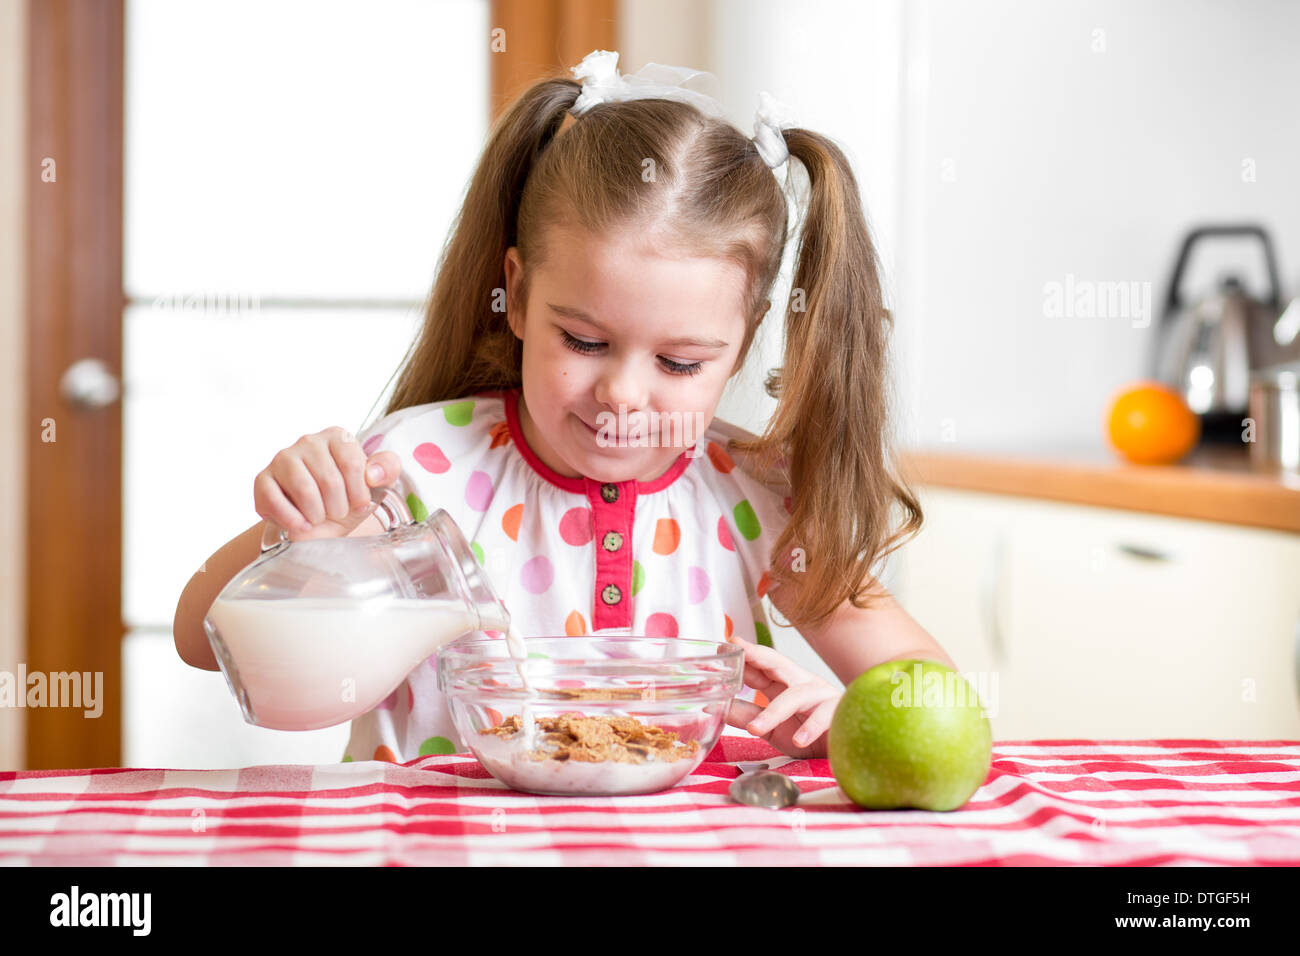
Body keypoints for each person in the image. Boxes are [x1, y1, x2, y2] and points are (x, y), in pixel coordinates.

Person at [172, 49, 957, 766]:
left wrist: (849, 711)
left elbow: (936, 695)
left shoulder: (758, 495)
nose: (621, 393)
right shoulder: (416, 472)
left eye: (680, 361)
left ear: (742, 345)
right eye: (583, 341)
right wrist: (299, 533)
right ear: (514, 293)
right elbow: (199, 636)